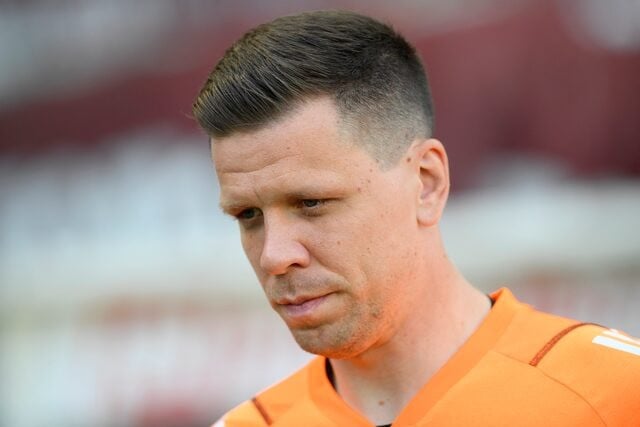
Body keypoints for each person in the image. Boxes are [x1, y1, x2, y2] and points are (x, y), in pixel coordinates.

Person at [192, 10, 640, 427]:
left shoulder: (612, 393)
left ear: (426, 182)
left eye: (311, 203)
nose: (274, 255)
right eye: (248, 215)